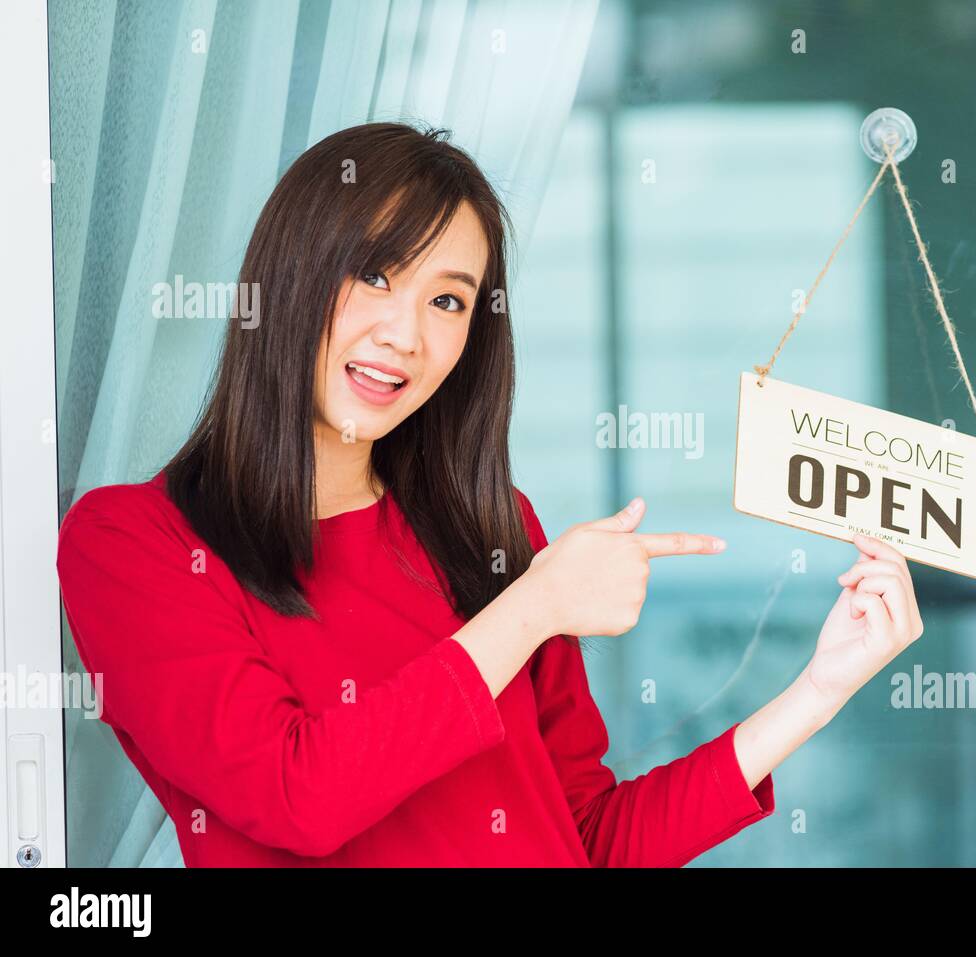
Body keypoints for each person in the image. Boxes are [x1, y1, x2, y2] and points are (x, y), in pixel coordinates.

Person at [55, 122, 924, 867]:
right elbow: (297, 795)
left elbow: (588, 837)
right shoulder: (134, 542)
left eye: (448, 300)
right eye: (375, 275)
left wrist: (819, 687)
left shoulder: (490, 530)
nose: (406, 334)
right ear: (286, 276)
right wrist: (536, 605)